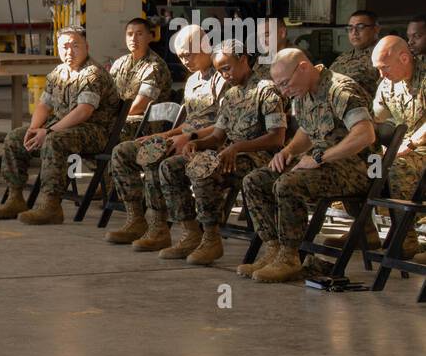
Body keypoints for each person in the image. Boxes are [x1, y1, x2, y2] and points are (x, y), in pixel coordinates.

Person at [238, 48, 376, 282]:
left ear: (303, 68)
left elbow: (365, 135)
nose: (284, 91)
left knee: (288, 184)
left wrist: (320, 158)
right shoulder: (302, 94)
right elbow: (308, 130)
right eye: (279, 85)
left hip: (356, 167)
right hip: (323, 164)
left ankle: (290, 256)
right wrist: (288, 150)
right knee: (255, 181)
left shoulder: (340, 89)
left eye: (285, 83)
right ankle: (274, 249)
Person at [160, 40, 287, 265]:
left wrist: (237, 147)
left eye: (227, 68)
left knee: (204, 170)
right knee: (170, 167)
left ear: (244, 60)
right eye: (219, 71)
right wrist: (197, 144)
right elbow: (217, 136)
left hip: (259, 157)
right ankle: (191, 233)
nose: (224, 75)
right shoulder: (230, 94)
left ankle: (211, 237)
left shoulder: (265, 89)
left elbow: (277, 137)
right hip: (229, 154)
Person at [106, 23, 224, 250]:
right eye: (180, 57)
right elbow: (189, 121)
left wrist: (188, 138)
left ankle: (178, 230)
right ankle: (138, 220)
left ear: (205, 46)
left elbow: (223, 125)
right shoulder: (192, 81)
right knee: (124, 151)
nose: (185, 61)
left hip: (208, 142)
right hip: (187, 137)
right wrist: (165, 134)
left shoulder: (223, 78)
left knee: (156, 159)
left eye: (189, 54)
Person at [0, 27, 122, 225]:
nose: (69, 51)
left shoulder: (92, 73)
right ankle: (16, 197)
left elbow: (84, 111)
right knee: (15, 137)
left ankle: (51, 205)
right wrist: (33, 129)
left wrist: (49, 131)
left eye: (75, 46)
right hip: (65, 128)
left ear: (86, 47)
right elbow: (44, 105)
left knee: (54, 141)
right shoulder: (58, 73)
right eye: (64, 47)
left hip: (95, 131)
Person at [370, 35, 426, 262]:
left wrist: (409, 144)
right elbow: (375, 119)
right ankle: (366, 231)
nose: (382, 75)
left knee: (397, 167)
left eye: (384, 68)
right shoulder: (387, 85)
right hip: (408, 147)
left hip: (418, 146)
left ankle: (406, 238)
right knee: (365, 165)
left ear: (404, 58)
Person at [109, 16, 172, 140]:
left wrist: (111, 116)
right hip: (122, 116)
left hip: (146, 123)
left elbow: (140, 106)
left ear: (150, 37)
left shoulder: (155, 66)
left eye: (139, 34)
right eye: (130, 34)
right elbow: (107, 93)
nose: (133, 39)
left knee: (109, 128)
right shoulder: (120, 63)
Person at [329, 9, 382, 96]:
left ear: (376, 29)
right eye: (350, 28)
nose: (354, 32)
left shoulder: (383, 56)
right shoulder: (343, 57)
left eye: (360, 27)